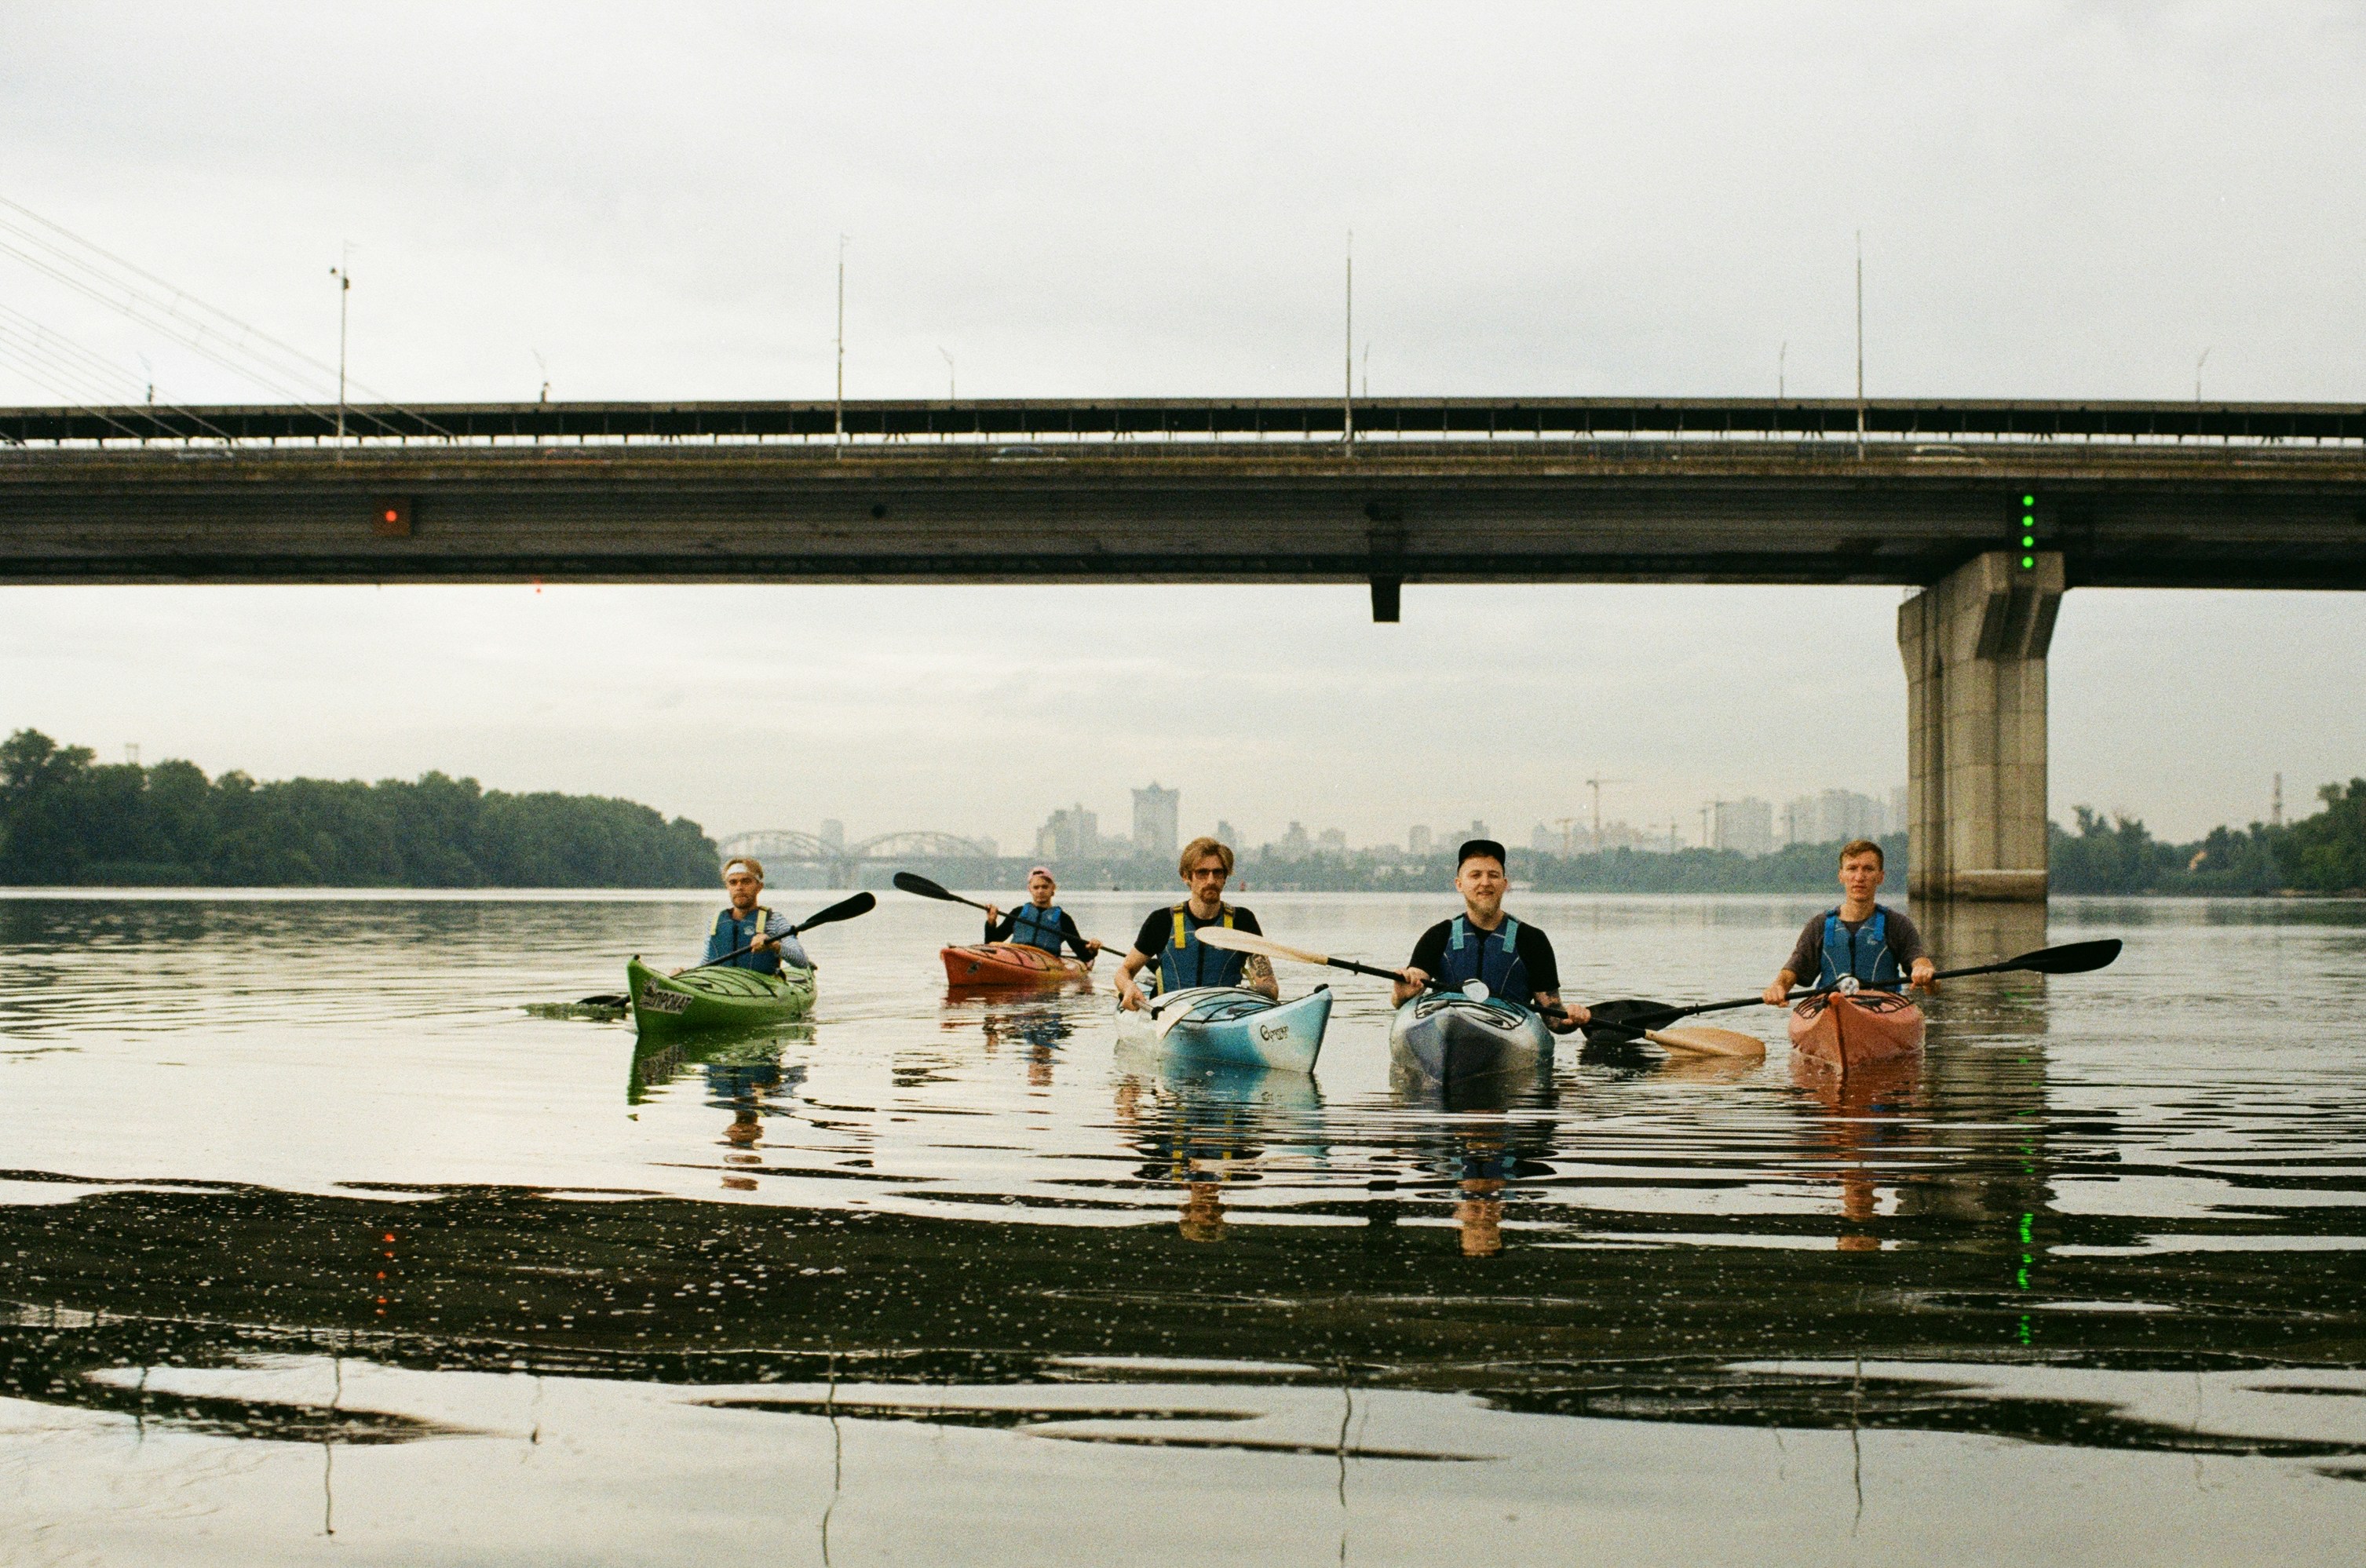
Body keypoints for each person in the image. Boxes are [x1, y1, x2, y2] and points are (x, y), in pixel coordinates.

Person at [1391, 839, 1590, 1033]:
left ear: (1504, 884)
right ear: (1459, 884)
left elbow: (1553, 1017)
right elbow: (1412, 983)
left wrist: (1572, 1018)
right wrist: (1401, 995)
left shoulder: (1533, 940)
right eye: (1475, 875)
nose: (1485, 882)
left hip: (1507, 1031)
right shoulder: (1438, 936)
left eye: (1493, 875)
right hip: (1447, 1025)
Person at [1762, 838, 1937, 1005]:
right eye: (1852, 869)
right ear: (1841, 876)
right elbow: (1793, 969)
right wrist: (1779, 986)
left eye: (1868, 869)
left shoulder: (1898, 924)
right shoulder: (1819, 925)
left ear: (1881, 877)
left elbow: (1923, 967)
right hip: (1830, 1006)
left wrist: (1925, 972)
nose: (1859, 877)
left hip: (1884, 1008)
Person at [1113, 837, 1277, 1011]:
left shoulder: (1243, 921)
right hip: (1169, 1014)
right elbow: (1125, 971)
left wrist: (1242, 996)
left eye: (1218, 872)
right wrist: (1128, 986)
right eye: (1202, 873)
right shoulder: (1161, 921)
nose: (1211, 880)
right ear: (1186, 877)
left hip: (1225, 1014)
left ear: (1225, 878)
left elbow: (1270, 986)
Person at [681, 857, 812, 976]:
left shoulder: (775, 920)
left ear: (759, 887)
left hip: (763, 987)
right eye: (733, 882)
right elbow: (706, 962)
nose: (739, 887)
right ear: (728, 887)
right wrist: (686, 975)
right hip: (722, 984)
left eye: (746, 881)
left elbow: (802, 961)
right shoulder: (715, 921)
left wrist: (774, 945)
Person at [980, 866, 1101, 964]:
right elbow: (991, 943)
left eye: (1045, 887)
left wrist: (1093, 949)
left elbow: (1084, 956)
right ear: (1030, 889)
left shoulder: (1064, 919)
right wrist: (991, 922)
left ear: (1053, 888)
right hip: (1015, 957)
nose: (1040, 891)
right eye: (1036, 887)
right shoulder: (1017, 913)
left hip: (1047, 962)